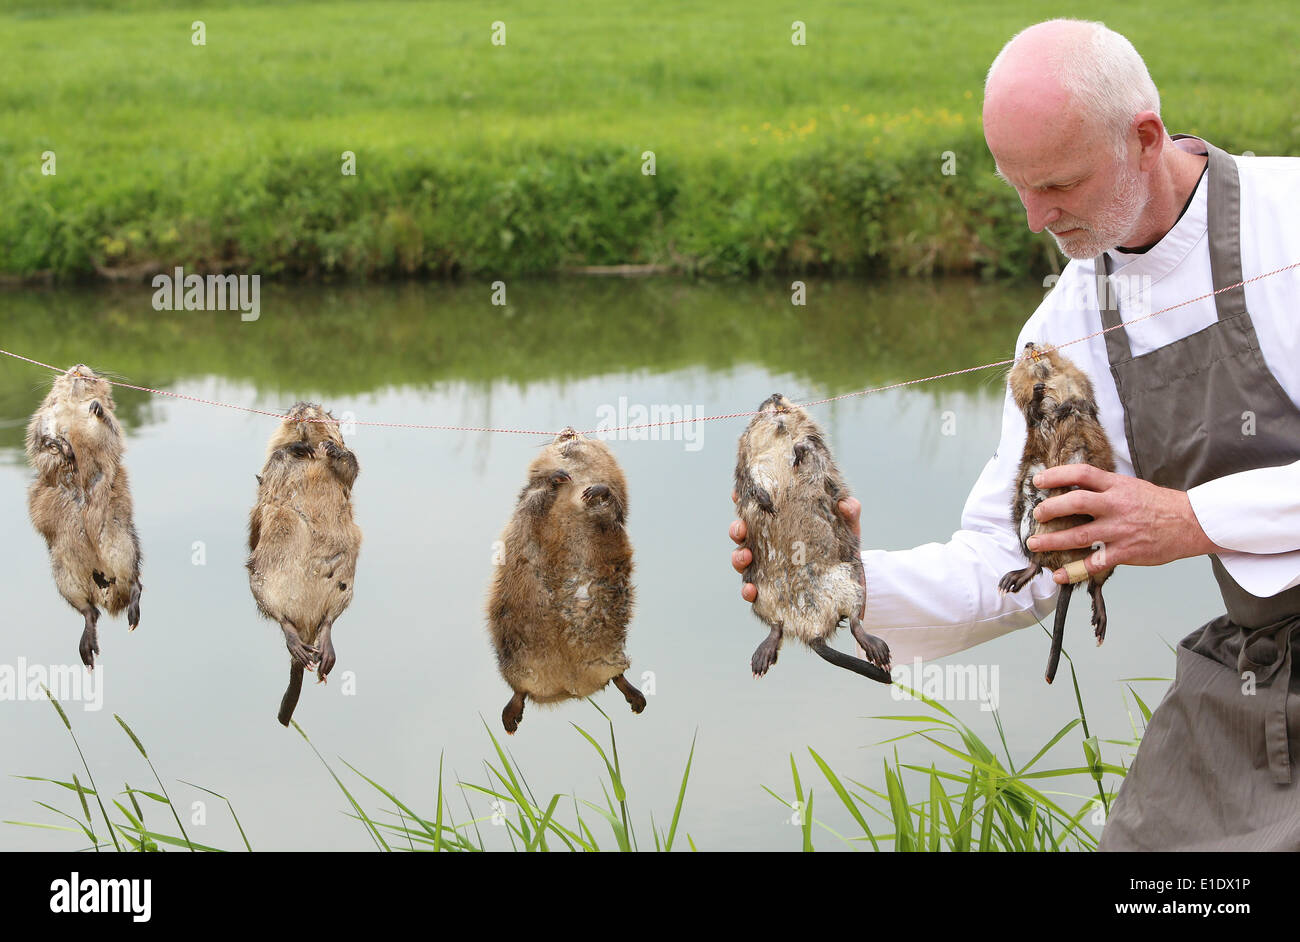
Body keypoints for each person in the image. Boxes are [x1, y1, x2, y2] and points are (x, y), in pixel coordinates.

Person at [729, 18, 1300, 850]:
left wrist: (1187, 521)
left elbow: (1180, 520)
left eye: (1060, 185)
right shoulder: (1066, 328)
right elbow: (1011, 562)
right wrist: (837, 580)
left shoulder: (1291, 223)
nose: (1036, 219)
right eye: (1017, 187)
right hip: (1264, 678)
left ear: (1144, 137)